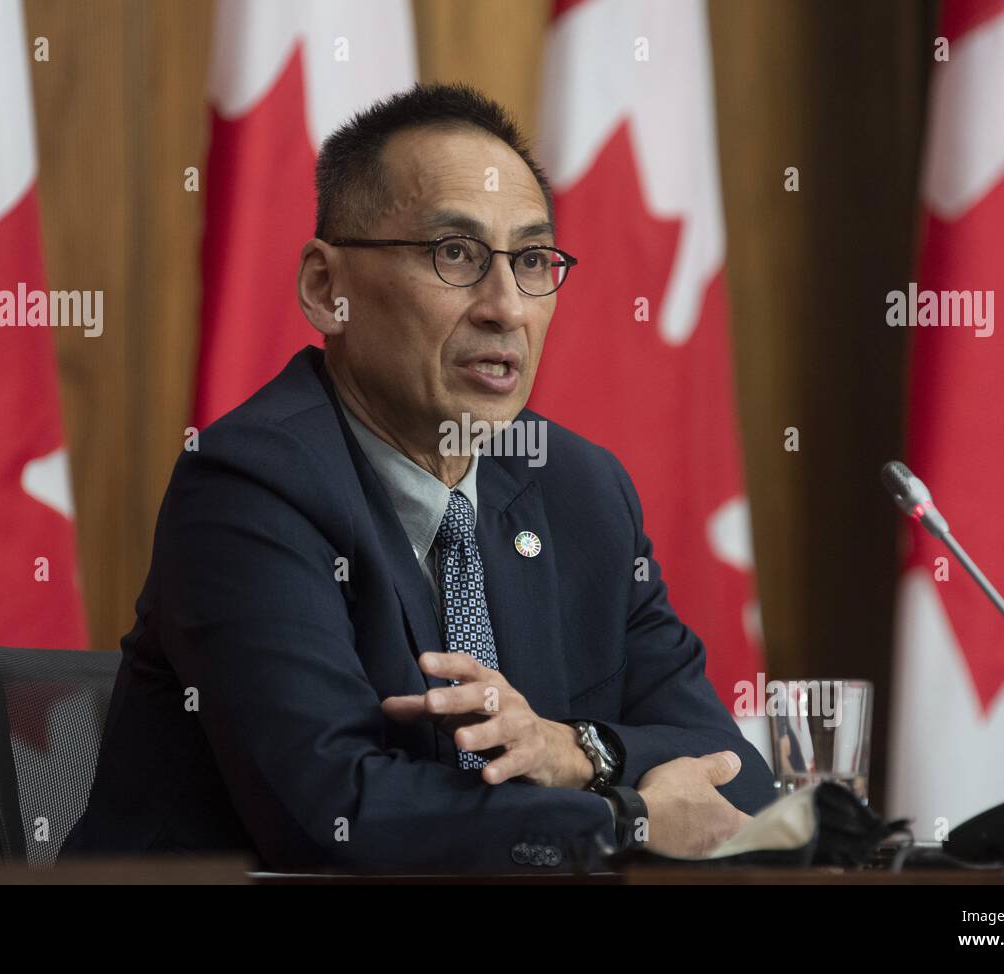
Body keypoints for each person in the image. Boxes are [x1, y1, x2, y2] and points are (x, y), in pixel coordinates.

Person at [61, 82, 775, 873]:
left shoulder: (581, 490)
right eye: (455, 254)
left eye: (531, 260)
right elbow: (338, 814)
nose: (506, 307)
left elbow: (736, 773)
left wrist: (577, 752)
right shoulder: (249, 486)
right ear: (327, 290)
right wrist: (624, 819)